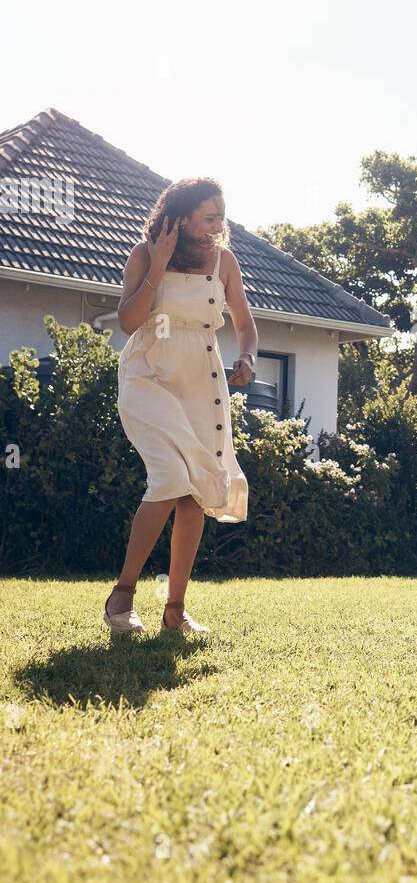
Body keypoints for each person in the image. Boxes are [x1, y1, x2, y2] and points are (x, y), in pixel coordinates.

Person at [103, 178, 258, 635]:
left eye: (221, 216)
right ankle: (122, 595)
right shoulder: (145, 253)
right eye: (210, 216)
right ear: (182, 216)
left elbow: (246, 324)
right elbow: (130, 322)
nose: (218, 224)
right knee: (170, 478)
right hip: (149, 375)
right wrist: (160, 262)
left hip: (201, 380)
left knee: (194, 496)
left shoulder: (224, 261)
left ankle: (174, 611)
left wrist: (246, 356)